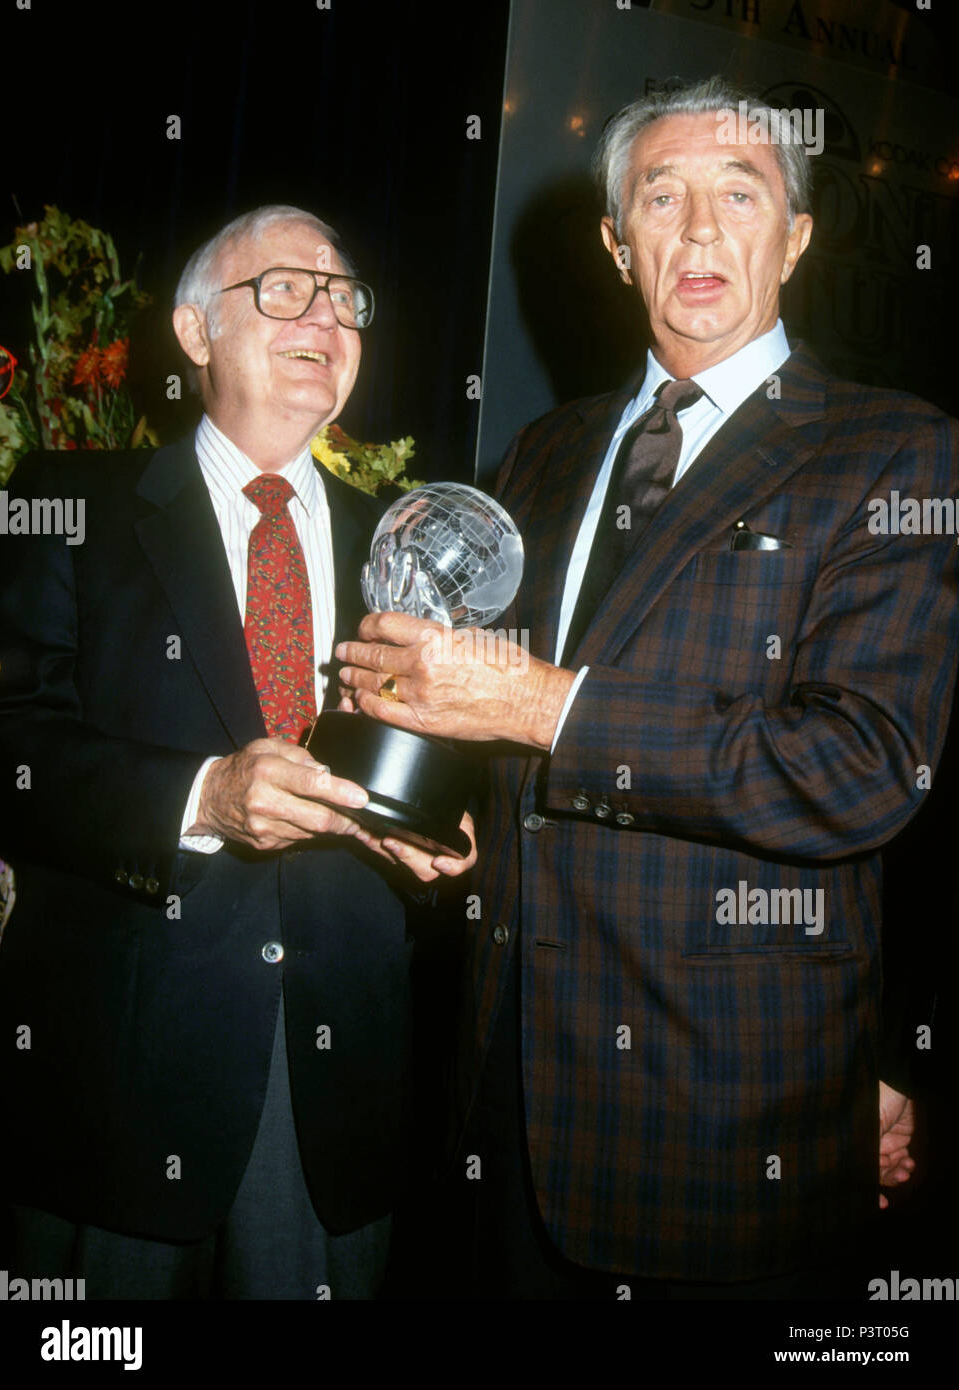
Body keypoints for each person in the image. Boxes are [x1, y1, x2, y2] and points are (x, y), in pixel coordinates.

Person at [336, 79, 958, 1296]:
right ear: (618, 246)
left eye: (742, 192)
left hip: (723, 1125)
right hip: (498, 1097)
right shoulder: (543, 450)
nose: (700, 229)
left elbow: (864, 767)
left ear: (799, 233)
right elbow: (489, 730)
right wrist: (441, 822)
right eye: (660, 197)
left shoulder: (898, 451)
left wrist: (538, 705)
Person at [0, 204, 474, 1300]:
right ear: (195, 330)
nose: (325, 313)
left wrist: (451, 845)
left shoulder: (414, 537)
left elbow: (448, 764)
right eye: (287, 288)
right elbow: (6, 748)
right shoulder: (66, 503)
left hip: (339, 1099)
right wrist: (202, 797)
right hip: (116, 1090)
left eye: (344, 294)